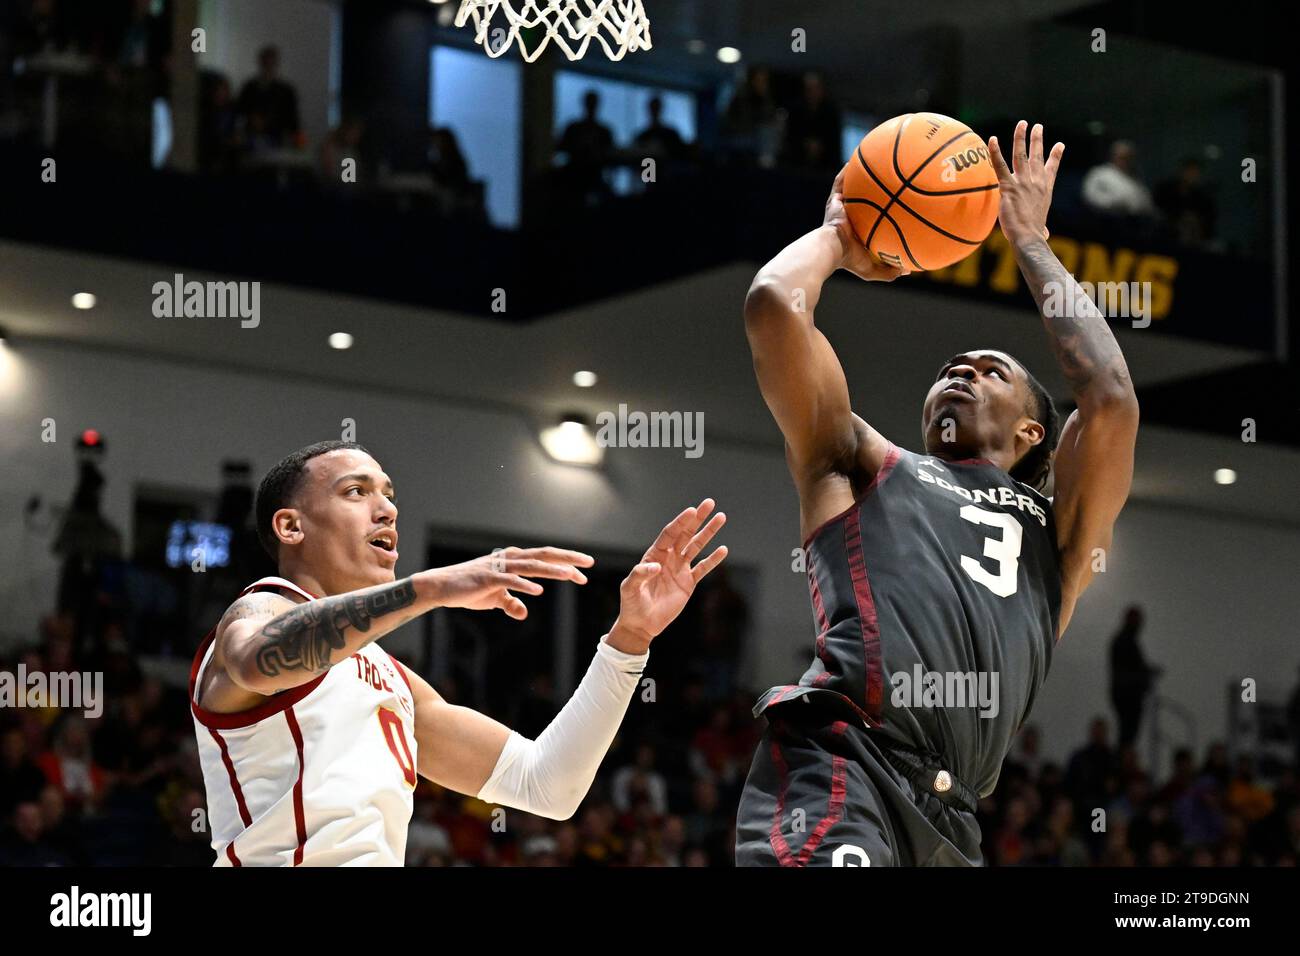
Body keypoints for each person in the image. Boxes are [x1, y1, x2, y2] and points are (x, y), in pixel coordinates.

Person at [735, 121, 1139, 866]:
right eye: (955, 364)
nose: (963, 369)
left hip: (952, 820)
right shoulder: (861, 463)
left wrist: (1030, 240)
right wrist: (836, 235)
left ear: (1030, 436)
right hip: (844, 763)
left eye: (992, 371)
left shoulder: (1059, 536)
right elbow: (772, 305)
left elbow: (1109, 395)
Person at [189, 440, 727, 866]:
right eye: (356, 492)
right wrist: (433, 587)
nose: (386, 510)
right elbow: (255, 661)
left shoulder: (391, 678)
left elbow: (546, 784)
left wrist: (628, 640)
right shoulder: (259, 610)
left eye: (389, 493)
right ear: (291, 526)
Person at [1108, 605, 1159, 748]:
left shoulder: (1124, 640)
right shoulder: (1125, 641)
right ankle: (1124, 759)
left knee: (1128, 734)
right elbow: (1128, 669)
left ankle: (1125, 757)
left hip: (1126, 694)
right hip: (1128, 695)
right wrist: (1145, 674)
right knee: (1128, 735)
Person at [236, 45, 300, 152]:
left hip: (277, 138)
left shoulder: (286, 91)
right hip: (251, 138)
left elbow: (292, 120)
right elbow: (240, 112)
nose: (268, 67)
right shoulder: (249, 88)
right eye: (266, 63)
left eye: (271, 63)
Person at [782, 71, 841, 171]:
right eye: (809, 89)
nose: (813, 93)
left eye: (816, 88)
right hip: (797, 163)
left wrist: (819, 146)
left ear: (822, 89)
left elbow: (834, 139)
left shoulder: (831, 111)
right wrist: (806, 144)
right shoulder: (796, 110)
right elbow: (791, 136)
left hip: (826, 164)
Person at [1082, 140, 1156, 220]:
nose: (1126, 161)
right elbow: (1091, 198)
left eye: (1129, 158)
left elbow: (1146, 202)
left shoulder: (1135, 179)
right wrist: (1121, 204)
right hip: (1108, 221)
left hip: (1138, 222)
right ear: (1113, 156)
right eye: (1123, 157)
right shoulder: (1099, 173)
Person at [632, 95, 686, 162]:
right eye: (653, 108)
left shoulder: (670, 134)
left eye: (656, 108)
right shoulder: (642, 136)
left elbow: (679, 155)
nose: (655, 111)